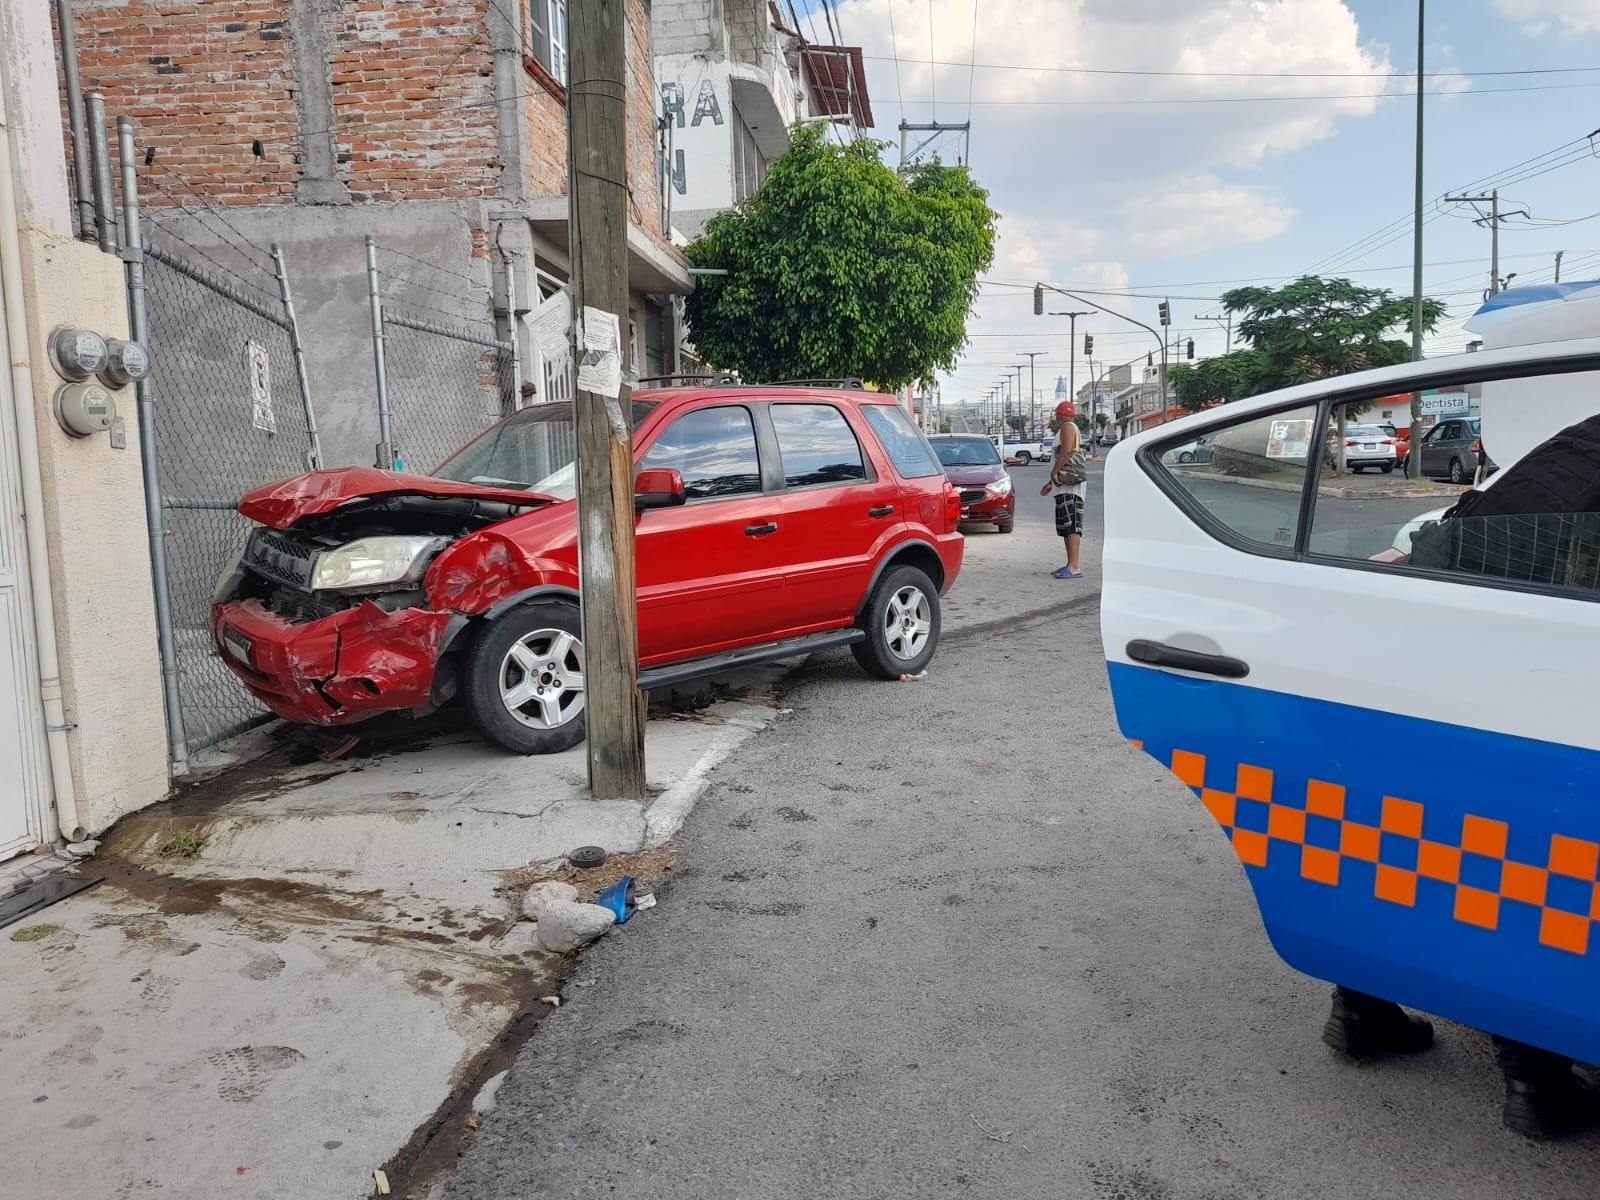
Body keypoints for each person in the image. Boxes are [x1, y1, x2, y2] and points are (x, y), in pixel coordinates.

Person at [1039, 401, 1086, 579]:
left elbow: (1066, 452)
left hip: (1071, 488)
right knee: (1066, 526)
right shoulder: (1067, 427)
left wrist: (1054, 472)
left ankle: (1074, 566)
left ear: (1059, 416)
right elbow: (1062, 458)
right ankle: (1069, 563)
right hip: (1064, 485)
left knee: (1072, 525)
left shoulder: (1068, 427)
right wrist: (1051, 481)